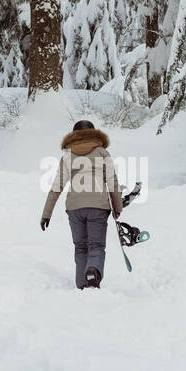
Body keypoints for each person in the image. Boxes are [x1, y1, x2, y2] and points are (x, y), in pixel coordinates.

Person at [40, 119, 122, 289]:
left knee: (80, 247)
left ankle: (82, 284)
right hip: (98, 207)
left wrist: (46, 214)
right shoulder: (102, 153)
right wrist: (117, 207)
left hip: (74, 208)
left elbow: (56, 187)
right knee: (96, 245)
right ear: (94, 133)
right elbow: (112, 182)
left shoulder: (68, 156)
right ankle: (93, 272)